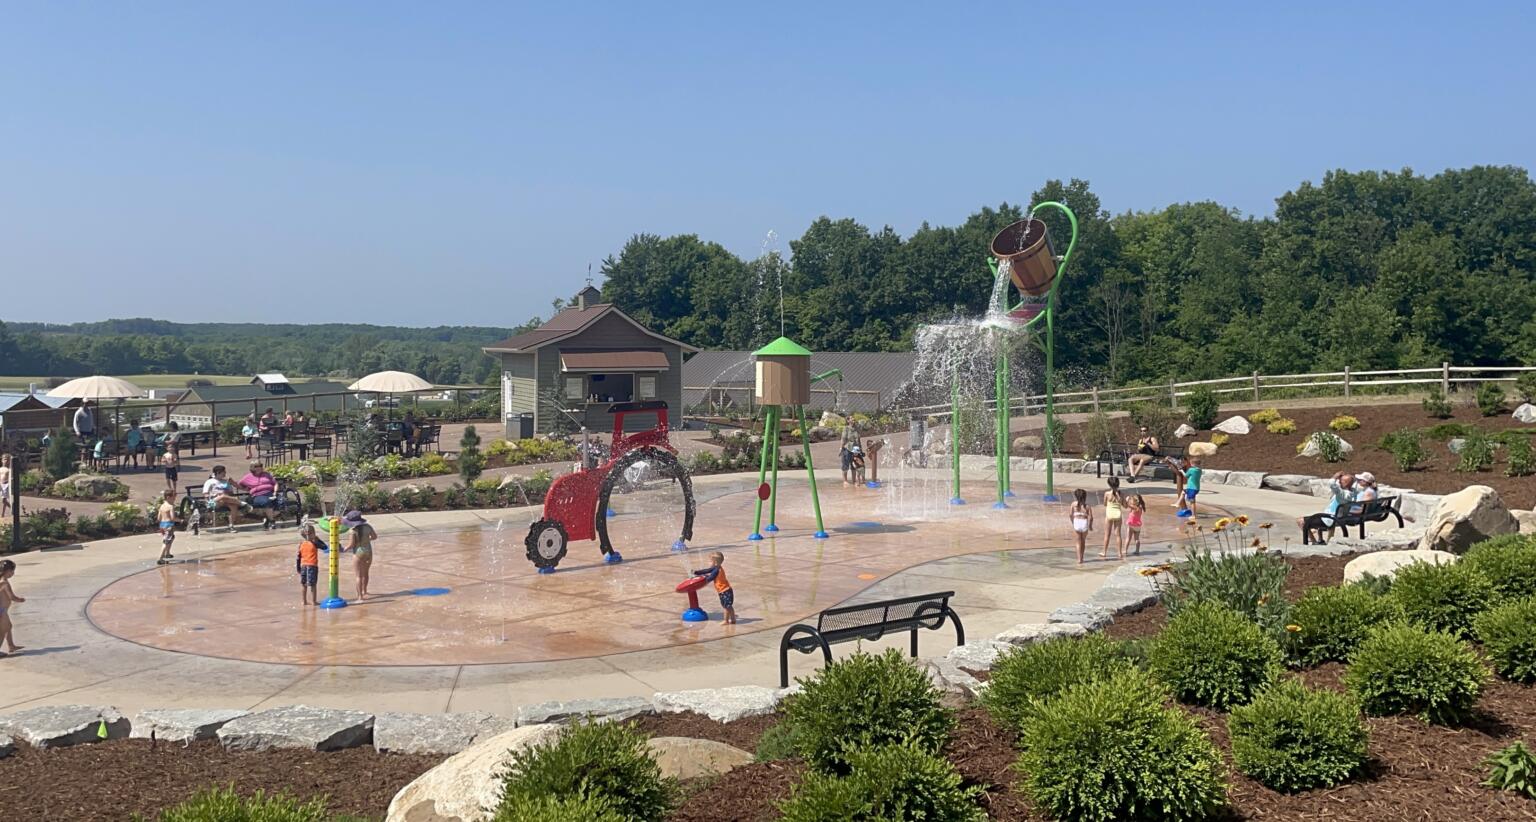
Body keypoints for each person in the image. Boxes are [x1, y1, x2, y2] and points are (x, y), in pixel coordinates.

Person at [1299, 472, 1354, 544]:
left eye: (1341, 481)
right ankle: (1320, 540)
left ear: (1346, 483)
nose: (1339, 481)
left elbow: (1332, 484)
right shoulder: (1351, 493)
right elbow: (1339, 485)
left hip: (1329, 519)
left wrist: (1335, 476)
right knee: (1316, 517)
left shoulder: (1342, 494)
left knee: (1300, 521)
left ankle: (1314, 542)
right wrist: (1341, 479)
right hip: (1338, 518)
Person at [691, 551, 735, 624]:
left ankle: (726, 621)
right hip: (726, 590)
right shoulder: (717, 568)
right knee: (728, 606)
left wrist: (701, 581)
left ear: (715, 562)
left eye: (710, 561)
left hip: (725, 591)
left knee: (726, 607)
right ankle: (733, 620)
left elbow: (711, 578)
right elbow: (706, 570)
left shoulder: (717, 570)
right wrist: (696, 572)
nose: (709, 562)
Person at [202, 465, 248, 532]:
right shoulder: (210, 481)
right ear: (218, 472)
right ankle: (241, 503)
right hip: (212, 502)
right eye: (224, 472)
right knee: (223, 496)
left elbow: (231, 493)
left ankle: (231, 526)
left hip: (225, 500)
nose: (225, 473)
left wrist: (231, 485)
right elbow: (205, 494)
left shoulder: (225, 481)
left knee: (233, 505)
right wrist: (215, 495)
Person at [342, 510, 376, 601]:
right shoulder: (368, 527)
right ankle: (365, 591)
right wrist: (366, 539)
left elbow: (351, 545)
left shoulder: (352, 531)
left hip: (358, 553)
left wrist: (343, 549)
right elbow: (374, 537)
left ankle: (360, 596)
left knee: (358, 576)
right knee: (366, 573)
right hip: (368, 551)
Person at [239, 461, 279, 530]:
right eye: (256, 466)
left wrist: (275, 492)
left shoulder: (267, 474)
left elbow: (275, 483)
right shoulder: (248, 477)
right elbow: (239, 484)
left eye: (260, 466)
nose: (259, 468)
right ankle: (272, 521)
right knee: (267, 502)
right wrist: (247, 489)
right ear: (252, 468)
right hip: (258, 495)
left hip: (270, 493)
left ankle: (267, 519)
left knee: (282, 502)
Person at [0, 559, 24, 657]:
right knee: (3, 630)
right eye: (12, 571)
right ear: (7, 571)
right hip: (1, 611)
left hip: (2, 611)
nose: (13, 573)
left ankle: (11, 645)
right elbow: (12, 597)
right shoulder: (4, 582)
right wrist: (20, 599)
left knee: (8, 627)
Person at [296, 522, 322, 605]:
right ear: (312, 534)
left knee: (304, 585)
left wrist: (298, 568)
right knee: (313, 585)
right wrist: (318, 540)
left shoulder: (301, 544)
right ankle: (314, 601)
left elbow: (298, 557)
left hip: (303, 566)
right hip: (312, 566)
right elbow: (325, 547)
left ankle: (304, 601)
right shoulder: (315, 543)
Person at [1102, 476, 1126, 560]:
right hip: (1118, 515)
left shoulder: (1107, 494)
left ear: (1109, 485)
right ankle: (1119, 553)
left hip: (1109, 515)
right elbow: (1125, 506)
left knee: (1107, 534)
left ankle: (1104, 552)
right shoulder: (1121, 494)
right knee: (1118, 535)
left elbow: (1104, 504)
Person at [1068, 488, 1093, 564]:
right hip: (1084, 522)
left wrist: (1073, 522)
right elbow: (1091, 517)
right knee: (1083, 541)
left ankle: (1079, 559)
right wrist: (1090, 526)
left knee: (1078, 542)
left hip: (1077, 522)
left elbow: (1070, 514)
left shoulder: (1073, 504)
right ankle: (1082, 557)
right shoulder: (1087, 506)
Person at [156, 489, 178, 565]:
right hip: (169, 525)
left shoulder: (162, 506)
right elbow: (172, 518)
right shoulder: (170, 506)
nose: (174, 499)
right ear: (168, 497)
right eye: (173, 497)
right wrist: (180, 520)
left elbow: (158, 518)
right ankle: (160, 558)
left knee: (171, 537)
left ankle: (167, 553)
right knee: (166, 542)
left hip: (162, 525)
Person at [0, 454, 10, 521]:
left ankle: (2, 514)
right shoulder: (0, 469)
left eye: (7, 460)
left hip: (6, 485)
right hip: (1, 484)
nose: (5, 461)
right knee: (4, 500)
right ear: (2, 460)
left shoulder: (8, 469)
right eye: (4, 459)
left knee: (4, 500)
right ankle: (13, 508)